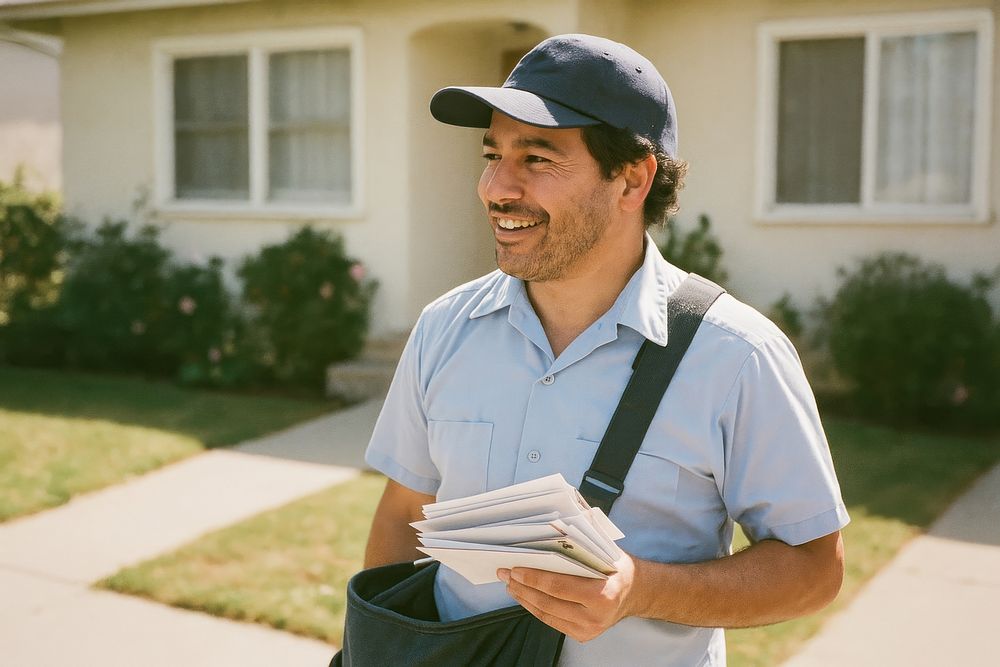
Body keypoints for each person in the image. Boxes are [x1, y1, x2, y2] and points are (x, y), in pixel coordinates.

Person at [362, 33, 848, 666]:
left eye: (536, 159)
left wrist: (640, 589)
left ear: (632, 179)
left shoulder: (738, 356)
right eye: (492, 154)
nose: (495, 188)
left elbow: (814, 569)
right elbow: (404, 512)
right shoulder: (443, 328)